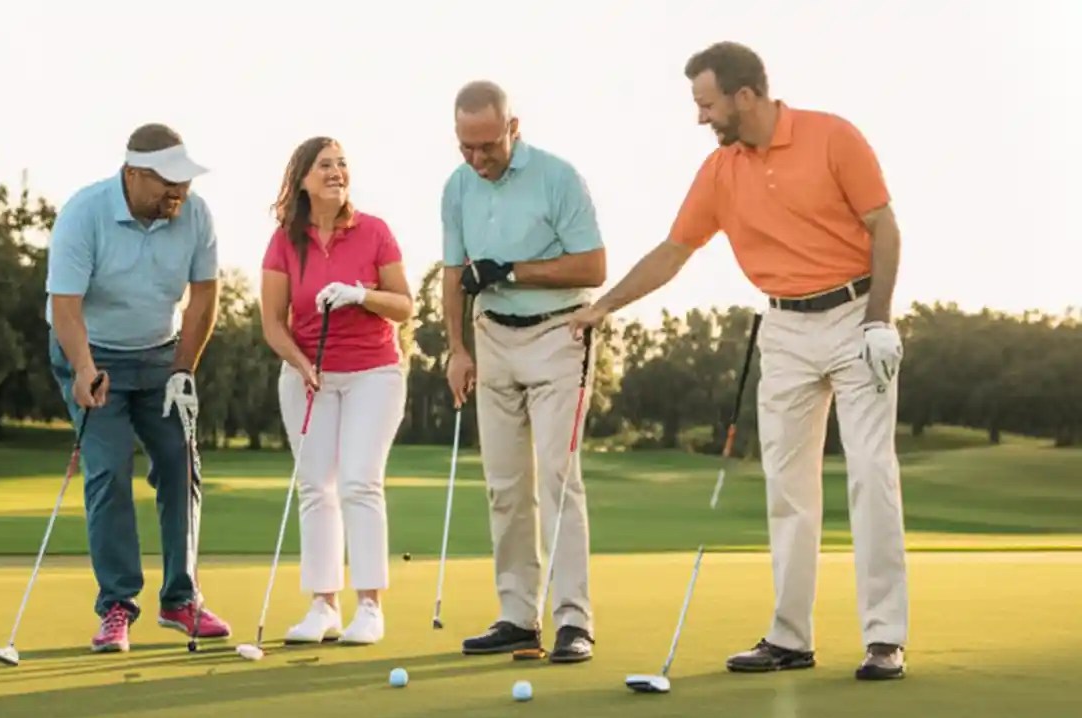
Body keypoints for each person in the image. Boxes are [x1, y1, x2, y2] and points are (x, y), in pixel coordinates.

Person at [568, 41, 909, 681]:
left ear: (743, 96)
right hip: (782, 327)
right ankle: (789, 637)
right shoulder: (720, 171)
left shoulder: (833, 137)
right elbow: (673, 252)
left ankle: (885, 637)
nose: (701, 117)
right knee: (787, 487)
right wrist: (603, 307)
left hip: (855, 316)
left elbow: (884, 227)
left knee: (870, 473)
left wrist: (880, 320)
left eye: (707, 103)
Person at [44, 122, 230, 653]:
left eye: (184, 181)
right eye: (166, 182)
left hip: (159, 357)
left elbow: (203, 300)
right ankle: (118, 606)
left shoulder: (195, 215)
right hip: (93, 353)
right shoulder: (85, 213)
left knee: (181, 463)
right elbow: (65, 307)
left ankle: (181, 598)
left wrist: (184, 369)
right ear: (132, 174)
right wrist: (82, 369)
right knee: (108, 470)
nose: (178, 192)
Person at [441, 80, 607, 663]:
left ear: (514, 127)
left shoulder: (558, 177)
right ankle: (517, 615)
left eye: (487, 145)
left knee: (558, 477)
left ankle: (572, 621)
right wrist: (457, 349)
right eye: (466, 146)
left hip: (560, 335)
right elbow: (454, 274)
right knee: (505, 486)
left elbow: (593, 265)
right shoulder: (457, 186)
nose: (477, 159)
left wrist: (511, 270)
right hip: (493, 341)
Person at [259, 136, 413, 646]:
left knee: (358, 483)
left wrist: (360, 295)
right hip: (309, 376)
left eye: (342, 163)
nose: (336, 172)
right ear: (302, 178)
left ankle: (370, 606)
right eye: (324, 165)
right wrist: (300, 364)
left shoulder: (374, 232)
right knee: (315, 487)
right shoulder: (285, 240)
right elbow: (273, 324)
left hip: (374, 373)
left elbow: (404, 305)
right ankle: (322, 606)